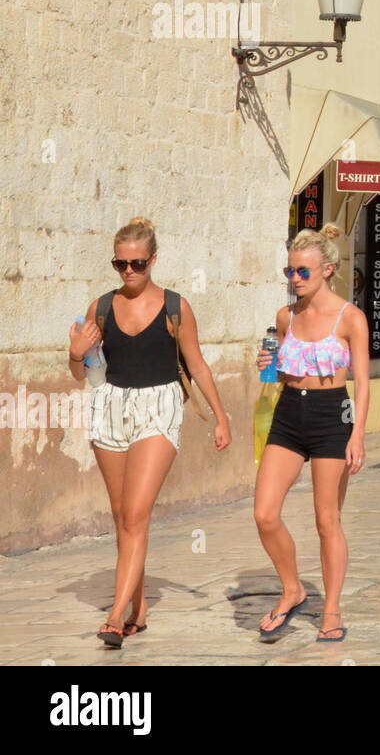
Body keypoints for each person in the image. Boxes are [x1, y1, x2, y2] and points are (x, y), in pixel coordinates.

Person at [69, 217, 232, 647]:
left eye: (137, 264)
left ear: (153, 260)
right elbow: (83, 370)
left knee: (137, 513)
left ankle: (115, 614)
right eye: (120, 264)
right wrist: (75, 354)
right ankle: (138, 608)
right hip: (110, 406)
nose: (128, 272)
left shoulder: (177, 307)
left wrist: (221, 415)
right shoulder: (100, 308)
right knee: (124, 517)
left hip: (159, 409)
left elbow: (195, 363)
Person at [254, 224, 370, 643]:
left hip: (330, 418)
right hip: (288, 415)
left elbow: (363, 382)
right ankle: (293, 589)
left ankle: (332, 609)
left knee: (327, 520)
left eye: (303, 271)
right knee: (265, 514)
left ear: (327, 269)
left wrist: (357, 435)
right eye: (290, 272)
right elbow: (283, 372)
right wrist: (269, 363)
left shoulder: (350, 318)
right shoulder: (285, 317)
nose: (295, 279)